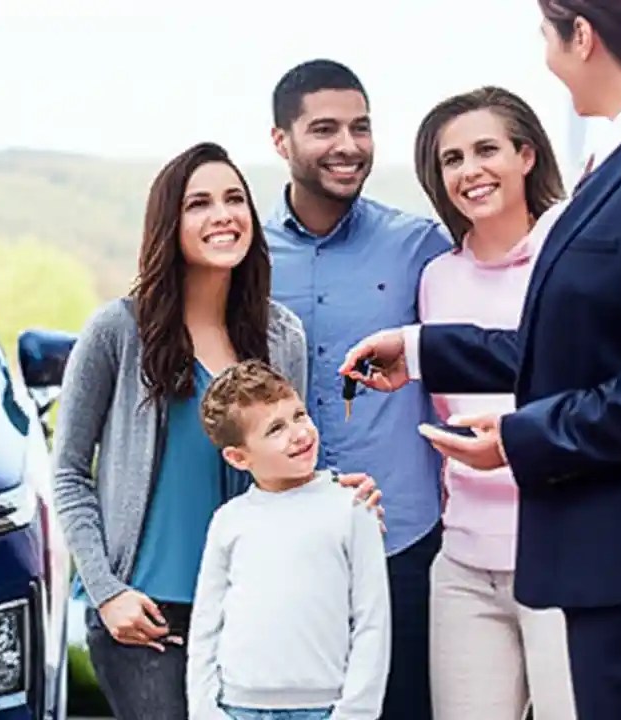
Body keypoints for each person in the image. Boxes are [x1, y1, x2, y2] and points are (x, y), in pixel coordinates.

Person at [341, 2, 621, 716]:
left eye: (545, 30)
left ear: (582, 37)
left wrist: (522, 438)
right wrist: (421, 350)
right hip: (593, 569)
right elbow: (579, 344)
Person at [53, 141, 382, 720]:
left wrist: (339, 497)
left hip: (253, 612)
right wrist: (105, 591)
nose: (222, 214)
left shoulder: (283, 336)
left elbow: (283, 460)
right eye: (199, 203)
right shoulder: (116, 332)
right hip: (146, 615)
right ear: (169, 224)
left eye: (234, 198)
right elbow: (70, 472)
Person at [264, 58, 451, 720]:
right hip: (282, 545)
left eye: (361, 127)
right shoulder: (247, 258)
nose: (348, 145)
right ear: (281, 141)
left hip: (402, 541)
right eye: (324, 128)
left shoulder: (420, 246)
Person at [411, 86, 576, 720]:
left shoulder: (570, 254)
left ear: (527, 154)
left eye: (486, 150)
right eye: (451, 159)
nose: (469, 171)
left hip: (560, 552)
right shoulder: (436, 278)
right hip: (463, 566)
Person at [187, 359, 390, 720]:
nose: (299, 433)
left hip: (326, 708)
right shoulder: (229, 521)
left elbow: (372, 622)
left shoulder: (353, 508)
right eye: (275, 429)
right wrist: (206, 711)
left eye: (299, 415)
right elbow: (205, 627)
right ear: (238, 457)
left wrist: (355, 713)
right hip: (238, 708)